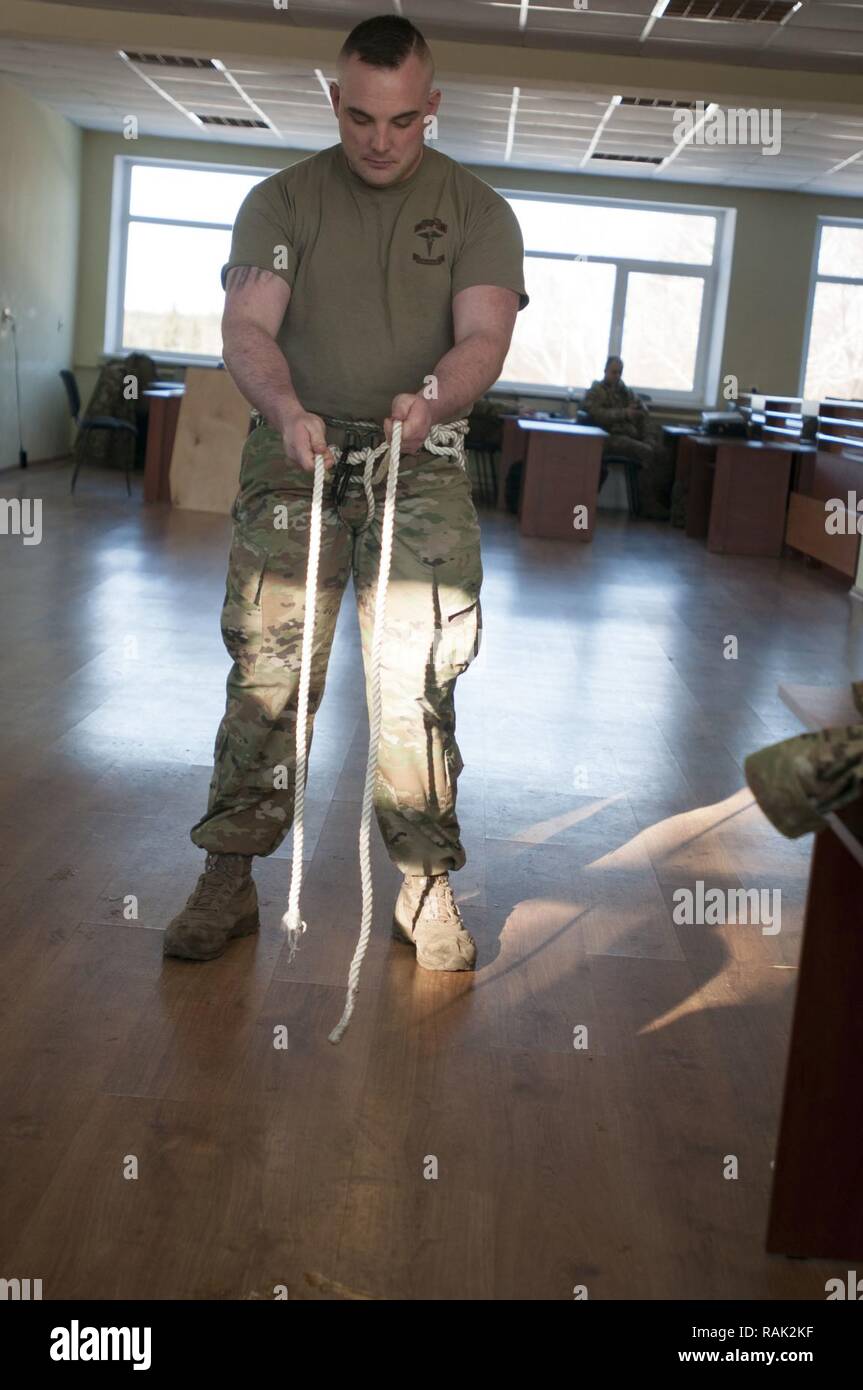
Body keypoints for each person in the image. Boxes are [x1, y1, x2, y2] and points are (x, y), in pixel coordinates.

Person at [162, 14, 528, 973]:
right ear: (334, 101)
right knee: (268, 671)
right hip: (299, 450)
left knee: (416, 680)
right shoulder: (280, 201)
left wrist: (433, 396)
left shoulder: (479, 210)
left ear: (431, 108)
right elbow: (247, 328)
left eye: (402, 120)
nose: (378, 140)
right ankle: (228, 874)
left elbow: (484, 340)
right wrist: (283, 408)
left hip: (424, 452)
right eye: (359, 116)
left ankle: (423, 883)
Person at [584, 356, 673, 520]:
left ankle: (664, 502)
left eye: (620, 372)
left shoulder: (626, 391)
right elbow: (597, 415)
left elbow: (643, 413)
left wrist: (648, 437)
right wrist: (624, 413)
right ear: (605, 371)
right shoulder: (596, 391)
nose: (617, 376)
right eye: (613, 372)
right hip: (609, 437)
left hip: (630, 435)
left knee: (662, 452)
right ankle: (648, 505)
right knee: (645, 452)